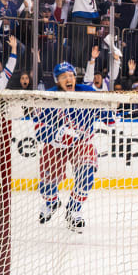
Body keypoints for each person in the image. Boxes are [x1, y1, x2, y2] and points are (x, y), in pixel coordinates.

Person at [35, 47, 119, 231]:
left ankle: (74, 210)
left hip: (81, 143)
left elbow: (106, 115)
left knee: (86, 173)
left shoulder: (86, 92)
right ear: (57, 81)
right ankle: (52, 202)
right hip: (55, 146)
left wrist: (110, 116)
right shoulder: (49, 97)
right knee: (46, 186)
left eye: (71, 75)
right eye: (63, 76)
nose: (69, 79)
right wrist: (58, 134)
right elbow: (39, 131)